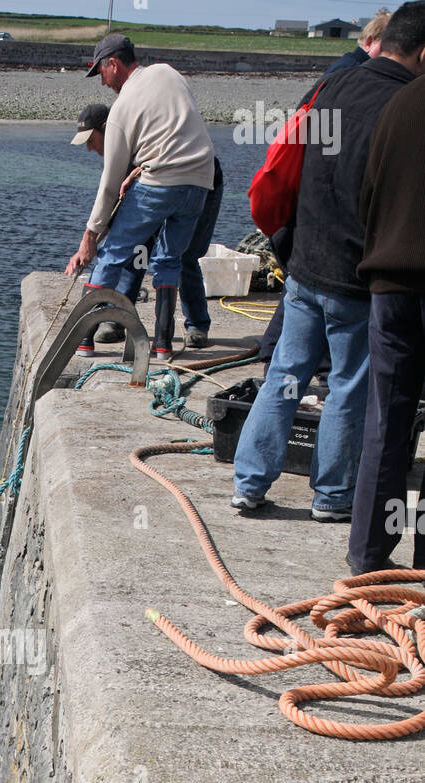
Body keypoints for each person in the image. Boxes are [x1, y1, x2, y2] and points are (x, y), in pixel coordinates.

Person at [231, 4, 425, 521]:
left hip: (306, 263)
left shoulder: (336, 85)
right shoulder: (404, 107)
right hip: (356, 275)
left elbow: (296, 163)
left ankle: (248, 482)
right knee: (348, 386)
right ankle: (333, 497)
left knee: (284, 376)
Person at [65, 34, 216, 360]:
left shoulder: (121, 108)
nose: (103, 83)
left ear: (114, 64)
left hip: (160, 183)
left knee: (113, 253)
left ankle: (83, 341)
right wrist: (145, 165)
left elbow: (110, 180)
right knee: (169, 260)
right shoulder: (169, 73)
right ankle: (163, 346)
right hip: (200, 182)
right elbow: (177, 131)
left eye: (100, 73)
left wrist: (90, 234)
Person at [259, 8, 392, 370]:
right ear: (373, 43)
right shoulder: (353, 77)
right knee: (311, 287)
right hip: (319, 198)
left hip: (309, 195)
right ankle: (283, 355)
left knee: (302, 287)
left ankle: (276, 357)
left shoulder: (339, 74)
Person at [347, 69, 425, 574]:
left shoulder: (401, 102)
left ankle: (368, 558)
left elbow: (367, 193)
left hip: (390, 286)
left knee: (386, 423)